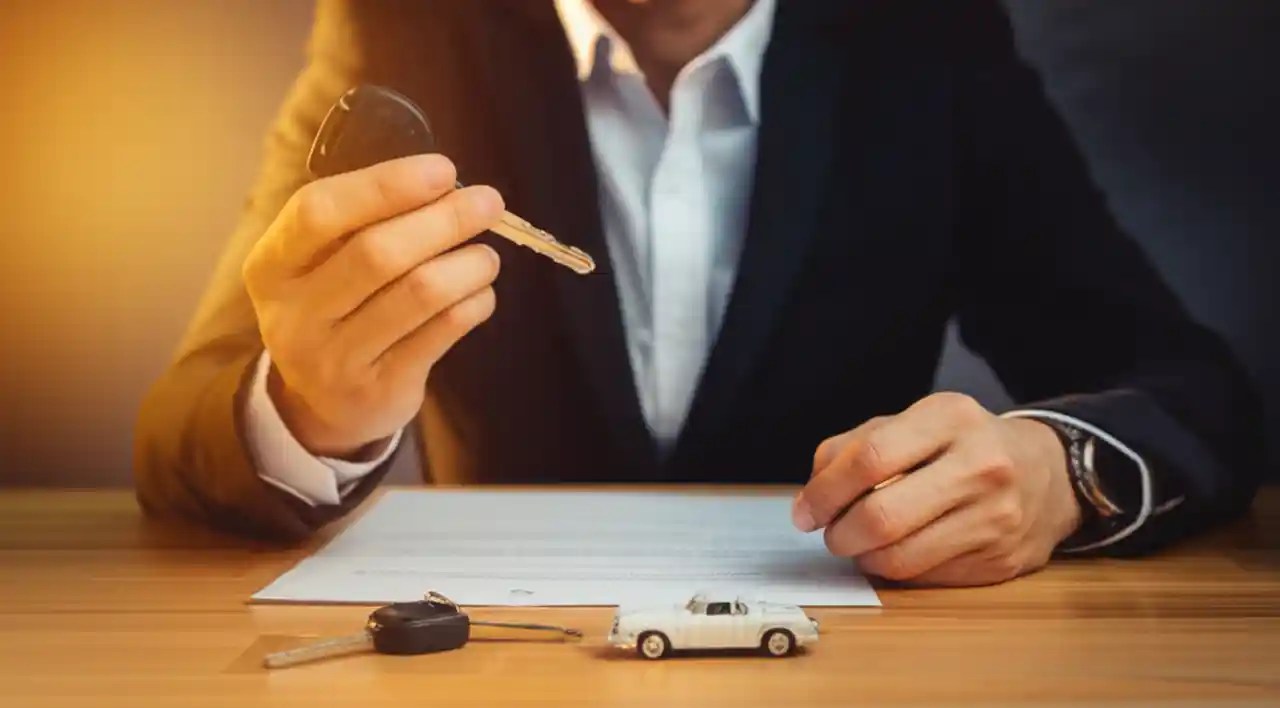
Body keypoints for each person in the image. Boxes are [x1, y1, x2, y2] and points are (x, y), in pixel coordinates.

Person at [134, 0, 1264, 587]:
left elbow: (1194, 392)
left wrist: (1058, 473)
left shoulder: (926, 44)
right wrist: (311, 414)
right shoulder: (404, 28)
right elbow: (186, 420)